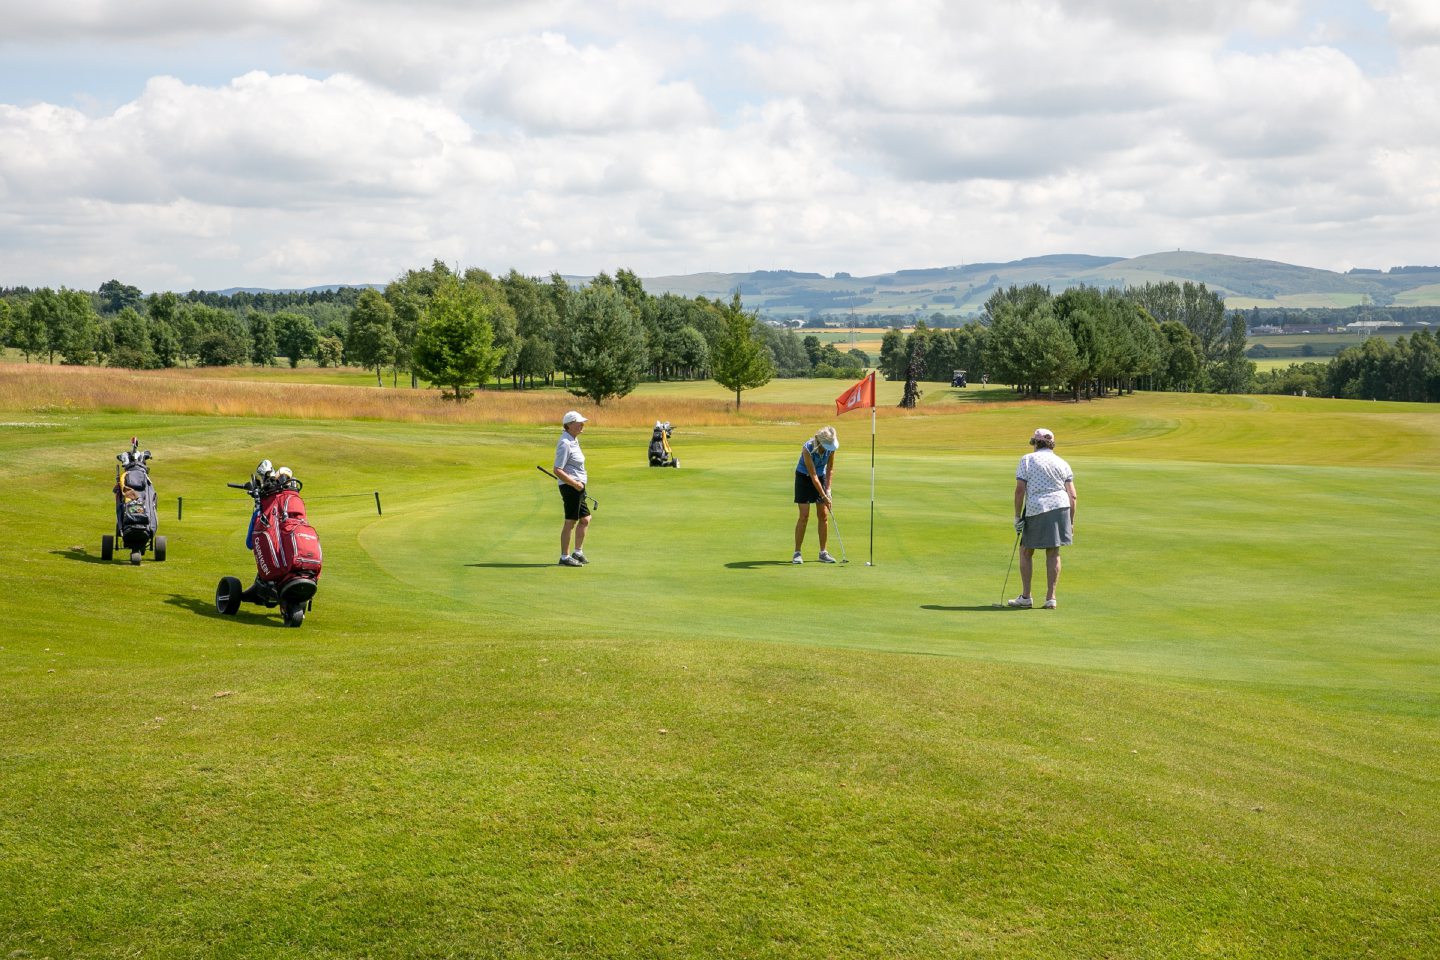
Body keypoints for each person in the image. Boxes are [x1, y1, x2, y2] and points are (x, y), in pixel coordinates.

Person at [1008, 428, 1077, 609]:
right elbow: (1073, 496)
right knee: (1053, 552)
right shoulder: (1062, 463)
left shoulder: (1027, 460)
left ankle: (1026, 597)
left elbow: (1020, 490)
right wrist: (1071, 522)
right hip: (1061, 506)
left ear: (1035, 443)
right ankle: (1050, 598)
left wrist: (1017, 516)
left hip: (1037, 508)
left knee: (1026, 551)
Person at [793, 425, 839, 564]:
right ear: (820, 442)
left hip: (821, 476)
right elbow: (813, 476)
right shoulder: (807, 448)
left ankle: (823, 553)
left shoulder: (831, 450)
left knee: (823, 515)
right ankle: (797, 553)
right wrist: (824, 496)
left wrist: (828, 490)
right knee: (804, 516)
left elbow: (830, 468)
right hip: (804, 478)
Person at [554, 410, 591, 567]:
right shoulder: (565, 443)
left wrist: (580, 485)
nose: (582, 424)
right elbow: (557, 469)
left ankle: (578, 552)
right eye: (579, 422)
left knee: (585, 519)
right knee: (571, 521)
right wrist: (575, 484)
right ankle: (564, 557)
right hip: (571, 487)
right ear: (569, 425)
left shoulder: (573, 440)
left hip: (578, 487)